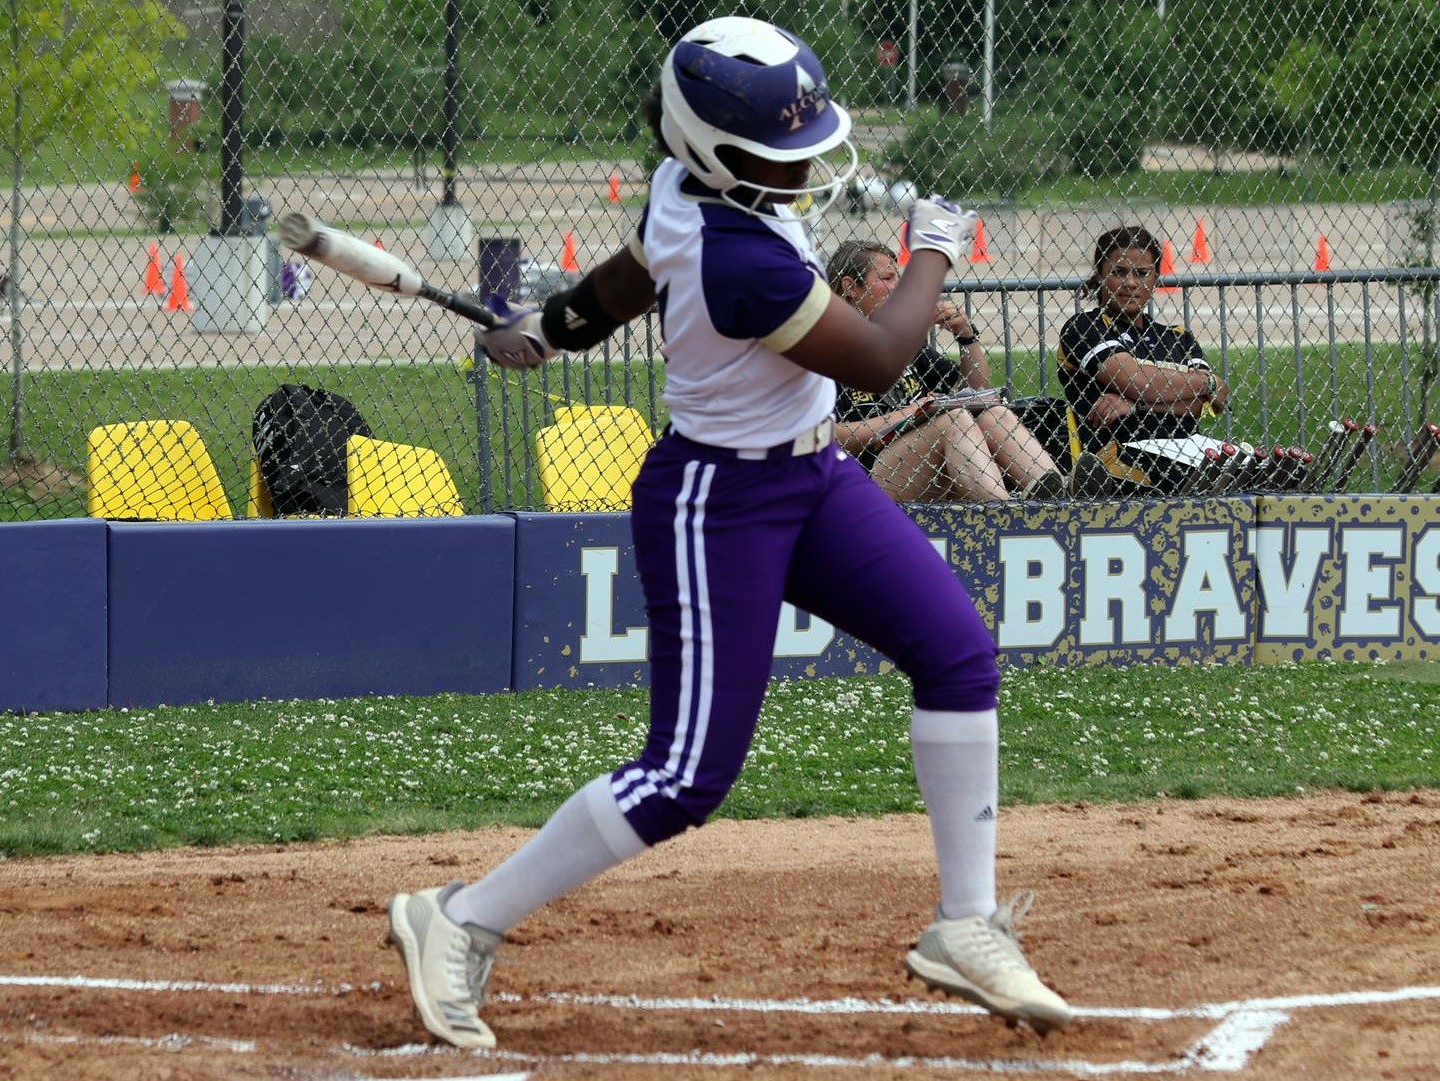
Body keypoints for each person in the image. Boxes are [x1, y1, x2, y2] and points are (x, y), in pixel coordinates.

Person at [385, 16, 1071, 1051]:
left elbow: (623, 279)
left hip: (811, 479)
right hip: (718, 503)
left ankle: (965, 923)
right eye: (774, 148)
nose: (800, 163)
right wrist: (932, 251)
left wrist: (552, 327)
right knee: (686, 775)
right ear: (712, 150)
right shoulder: (742, 255)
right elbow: (883, 359)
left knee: (957, 653)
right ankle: (461, 916)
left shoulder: (692, 193)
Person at [825, 239, 1066, 501]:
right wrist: (909, 414)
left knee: (992, 413)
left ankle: (1059, 496)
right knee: (952, 419)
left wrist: (966, 337)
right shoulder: (825, 349)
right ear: (851, 287)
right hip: (865, 477)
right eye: (887, 278)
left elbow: (977, 389)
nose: (899, 287)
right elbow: (827, 434)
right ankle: (1005, 513)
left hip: (923, 467)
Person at [1058, 225, 1230, 497]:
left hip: (1187, 451)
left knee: (1270, 471)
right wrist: (1194, 386)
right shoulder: (1084, 327)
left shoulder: (1176, 337)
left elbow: (1208, 400)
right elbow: (1138, 381)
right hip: (1118, 458)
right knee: (1184, 480)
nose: (1130, 283)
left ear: (1155, 279)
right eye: (1118, 272)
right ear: (1100, 275)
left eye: (1141, 273)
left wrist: (1133, 404)